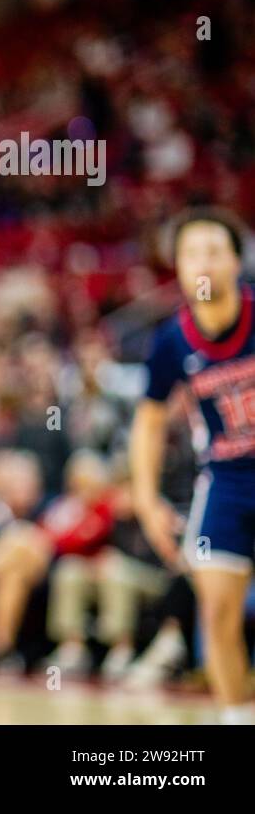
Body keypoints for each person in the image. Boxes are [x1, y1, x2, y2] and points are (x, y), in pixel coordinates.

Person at [131, 207, 255, 724]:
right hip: (226, 480)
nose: (201, 262)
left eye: (212, 250)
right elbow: (149, 423)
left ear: (235, 261)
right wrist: (145, 498)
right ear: (177, 267)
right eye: (190, 253)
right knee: (217, 609)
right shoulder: (170, 341)